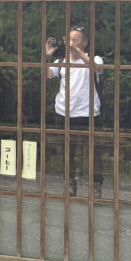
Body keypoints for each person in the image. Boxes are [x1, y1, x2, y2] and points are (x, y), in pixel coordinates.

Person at [46, 26, 103, 194]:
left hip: (89, 112)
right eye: (68, 40)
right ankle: (70, 183)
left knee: (93, 151)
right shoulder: (61, 61)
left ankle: (95, 185)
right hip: (65, 111)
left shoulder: (95, 58)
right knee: (68, 151)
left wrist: (78, 50)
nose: (70, 43)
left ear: (85, 42)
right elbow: (47, 74)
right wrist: (48, 55)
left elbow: (97, 68)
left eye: (75, 40)